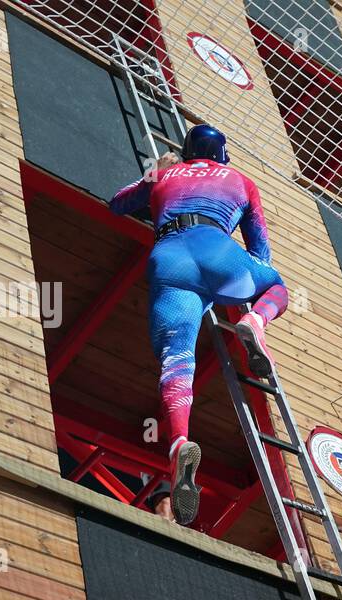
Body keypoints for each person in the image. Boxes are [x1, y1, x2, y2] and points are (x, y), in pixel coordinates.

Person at [109, 123, 289, 526]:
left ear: (188, 153)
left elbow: (117, 204)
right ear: (221, 155)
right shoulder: (240, 180)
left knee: (177, 362)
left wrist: (153, 174)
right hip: (219, 255)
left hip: (170, 259)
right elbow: (261, 248)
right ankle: (255, 324)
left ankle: (177, 446)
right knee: (275, 284)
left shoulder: (166, 173)